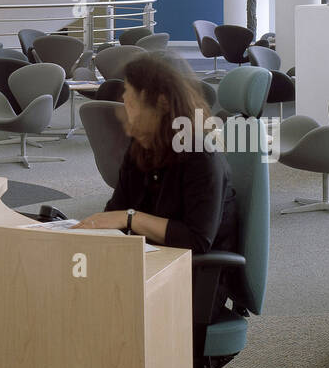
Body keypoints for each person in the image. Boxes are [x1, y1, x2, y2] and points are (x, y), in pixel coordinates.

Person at [74, 54, 237, 259]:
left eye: (132, 103)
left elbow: (197, 240)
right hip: (151, 258)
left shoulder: (201, 157)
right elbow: (116, 211)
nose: (126, 112)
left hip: (193, 272)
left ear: (161, 104)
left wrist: (131, 218)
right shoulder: (141, 146)